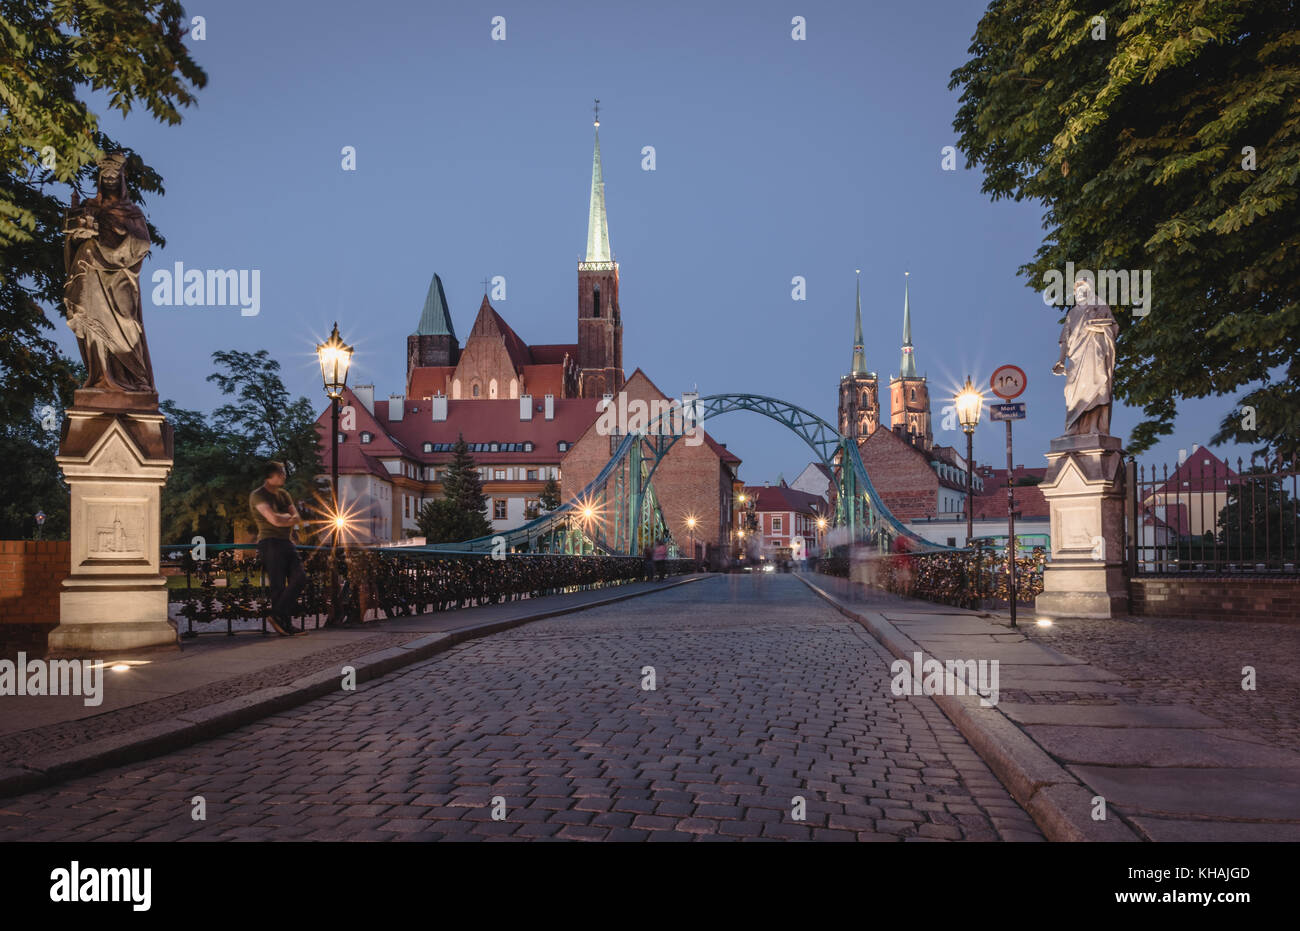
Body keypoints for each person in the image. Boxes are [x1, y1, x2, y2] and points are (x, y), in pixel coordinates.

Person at [249, 461, 307, 636]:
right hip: (269, 542)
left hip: (286, 541)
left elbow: (296, 517)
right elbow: (273, 519)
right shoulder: (258, 495)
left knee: (300, 578)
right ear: (271, 476)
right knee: (278, 585)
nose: (284, 475)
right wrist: (287, 518)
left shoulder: (284, 494)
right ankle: (285, 625)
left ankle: (276, 615)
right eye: (281, 472)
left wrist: (286, 518)